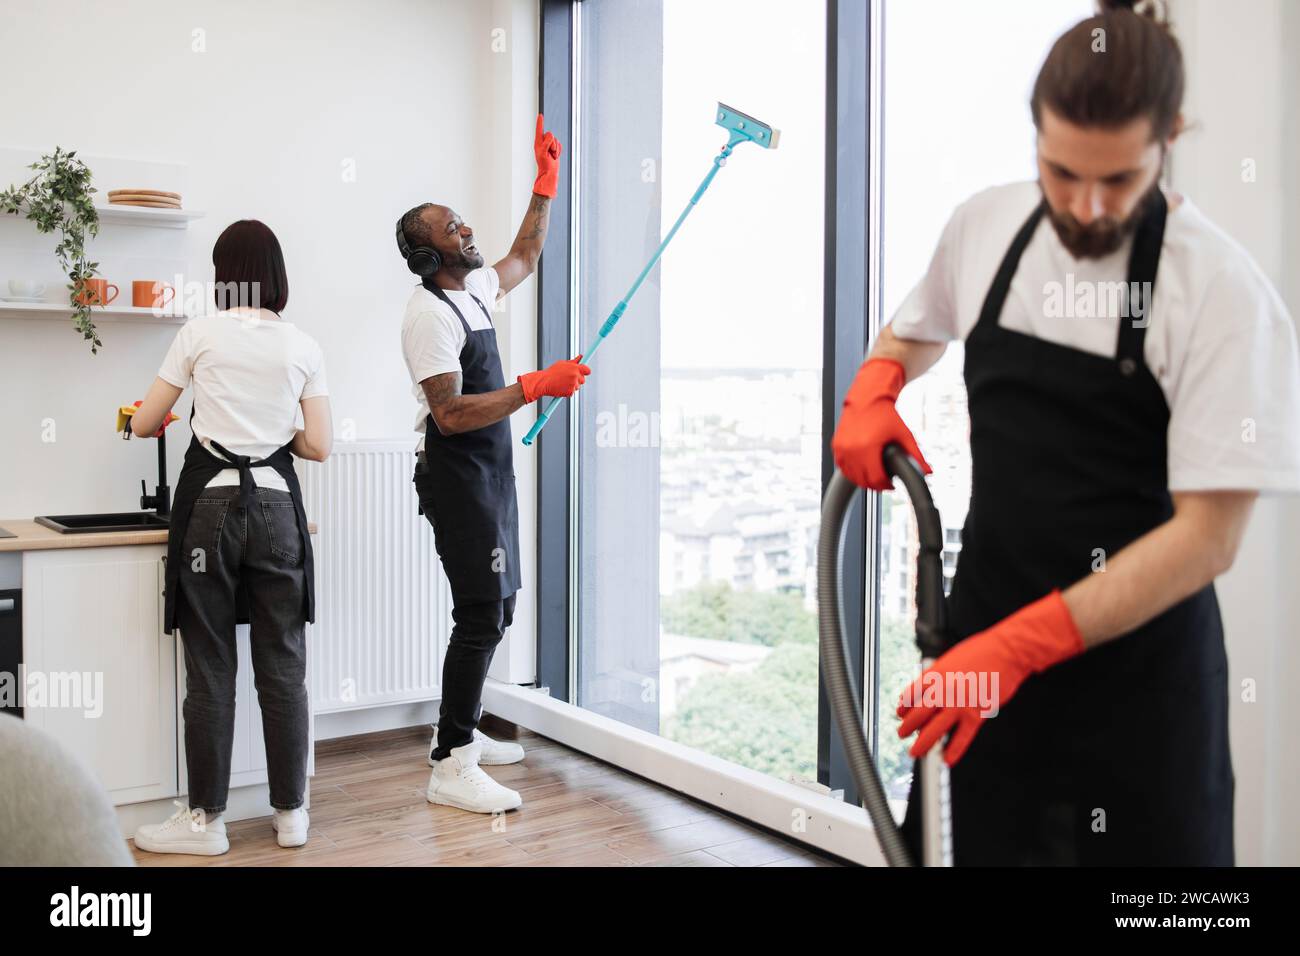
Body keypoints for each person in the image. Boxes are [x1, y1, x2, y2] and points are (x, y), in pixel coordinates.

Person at [833, 0, 1300, 865]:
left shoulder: (1220, 292)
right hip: (982, 649)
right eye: (1060, 172)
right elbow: (914, 328)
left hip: (1141, 688)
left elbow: (1207, 541)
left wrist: (1025, 645)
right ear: (1035, 139)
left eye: (1117, 181)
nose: (1085, 207)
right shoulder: (987, 226)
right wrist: (875, 385)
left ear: (1172, 136)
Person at [397, 114, 589, 814]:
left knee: (502, 606)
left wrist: (545, 183)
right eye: (453, 229)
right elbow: (449, 412)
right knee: (480, 613)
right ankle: (450, 763)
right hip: (456, 476)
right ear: (426, 256)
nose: (467, 232)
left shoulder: (474, 290)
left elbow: (526, 258)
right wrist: (534, 385)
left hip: (492, 473)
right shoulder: (429, 317)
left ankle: (465, 731)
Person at [129, 220, 332, 855]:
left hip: (207, 513)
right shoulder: (302, 345)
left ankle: (206, 823)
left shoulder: (198, 333)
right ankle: (291, 815)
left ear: (223, 276)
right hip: (277, 513)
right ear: (277, 276)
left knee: (211, 665)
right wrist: (274, 432)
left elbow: (143, 423)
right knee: (283, 663)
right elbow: (320, 444)